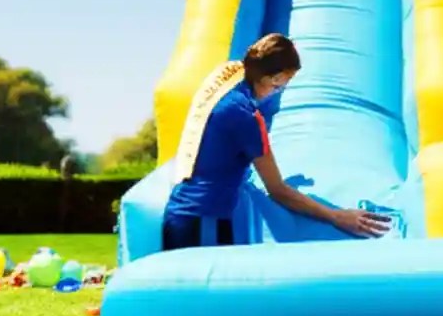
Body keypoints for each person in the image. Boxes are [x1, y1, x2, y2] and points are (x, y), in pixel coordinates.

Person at [161, 33, 392, 250]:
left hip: (185, 216)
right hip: (203, 223)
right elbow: (278, 190)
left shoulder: (228, 77)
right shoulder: (246, 117)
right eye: (280, 85)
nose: (278, 91)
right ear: (274, 77)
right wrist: (337, 216)